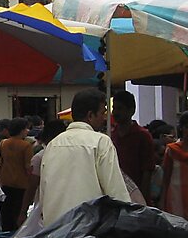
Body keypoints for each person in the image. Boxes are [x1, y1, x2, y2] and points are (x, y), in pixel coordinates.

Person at [38, 89, 131, 227]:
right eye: (103, 113)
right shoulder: (101, 142)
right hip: (88, 229)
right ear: (90, 115)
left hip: (54, 229)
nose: (105, 118)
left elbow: (44, 192)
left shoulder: (53, 144)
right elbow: (116, 192)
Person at [109, 91, 156, 203]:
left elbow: (147, 171)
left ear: (131, 110)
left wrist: (142, 201)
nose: (115, 112)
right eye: (114, 108)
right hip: (116, 194)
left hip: (136, 196)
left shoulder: (143, 136)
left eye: (120, 108)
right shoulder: (110, 135)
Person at [0, 118, 34, 231]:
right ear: (21, 130)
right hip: (21, 184)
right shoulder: (26, 146)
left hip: (5, 183)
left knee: (6, 216)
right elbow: (28, 166)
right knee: (18, 216)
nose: (27, 131)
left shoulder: (3, 143)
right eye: (26, 129)